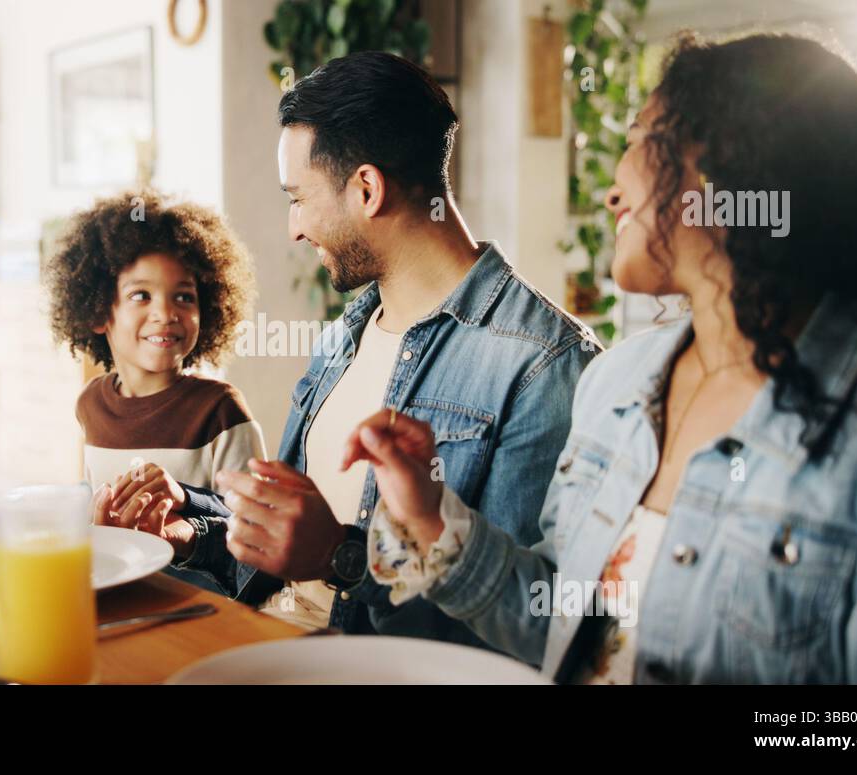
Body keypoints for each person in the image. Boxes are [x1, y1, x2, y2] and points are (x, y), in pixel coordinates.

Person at [346, 33, 857, 682]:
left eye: (637, 138)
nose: (611, 193)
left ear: (721, 162)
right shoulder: (618, 383)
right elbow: (567, 625)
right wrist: (433, 517)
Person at [108, 51, 598, 639]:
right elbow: (286, 548)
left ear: (366, 189)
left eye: (298, 198)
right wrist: (190, 530)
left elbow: (530, 626)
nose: (293, 228)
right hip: (263, 638)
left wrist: (343, 558)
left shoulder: (542, 364)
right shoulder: (346, 334)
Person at [46, 189, 266, 550]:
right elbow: (90, 502)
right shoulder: (89, 404)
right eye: (141, 296)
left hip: (199, 600)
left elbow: (256, 532)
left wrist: (184, 520)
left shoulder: (221, 411)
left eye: (184, 296)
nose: (165, 314)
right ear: (99, 311)